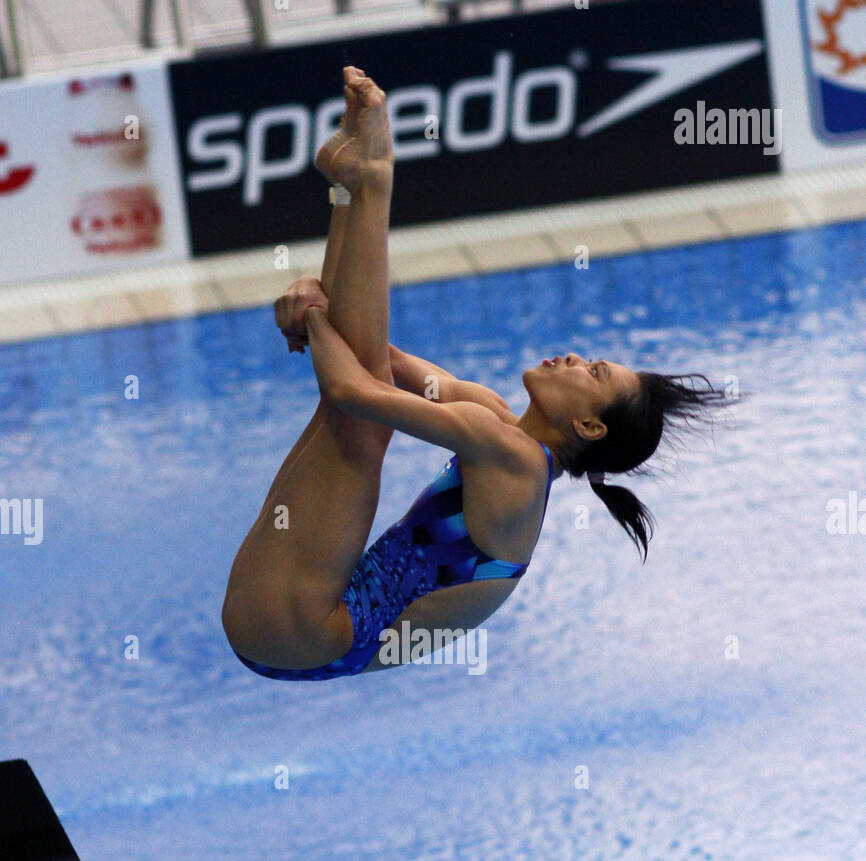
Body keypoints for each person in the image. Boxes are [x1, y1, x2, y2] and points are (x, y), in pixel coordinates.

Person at [222, 67, 727, 682]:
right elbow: (381, 358)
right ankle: (355, 184)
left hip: (306, 629)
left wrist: (317, 317)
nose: (572, 357)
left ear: (589, 424)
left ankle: (372, 182)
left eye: (592, 371)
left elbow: (351, 390)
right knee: (361, 404)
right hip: (296, 616)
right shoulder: (492, 419)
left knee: (360, 426)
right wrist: (314, 303)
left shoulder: (512, 459)